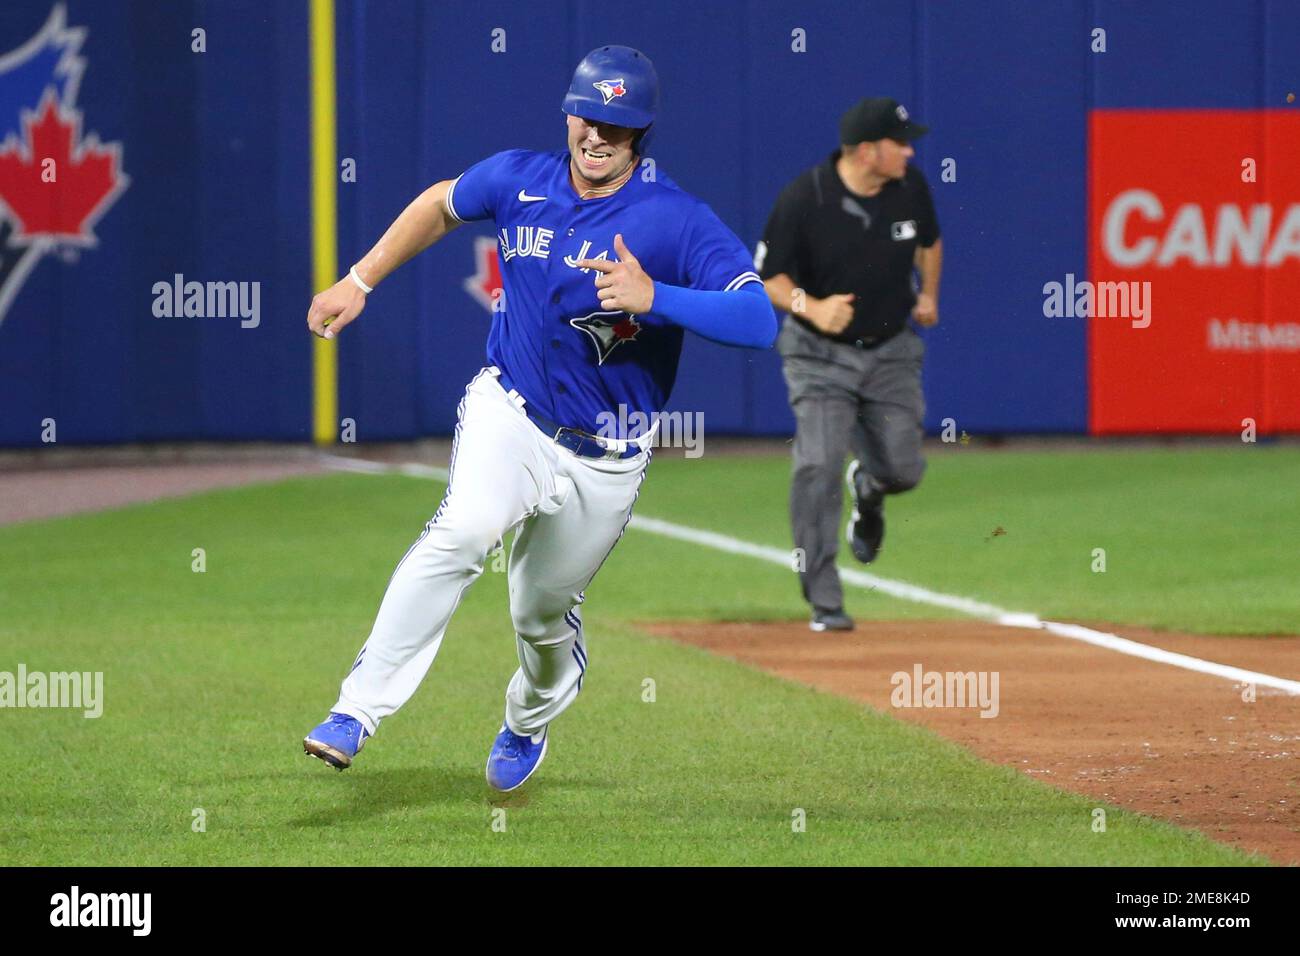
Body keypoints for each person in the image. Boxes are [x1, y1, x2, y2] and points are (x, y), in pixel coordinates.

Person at [301, 46, 776, 791]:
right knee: (463, 529)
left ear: (640, 134)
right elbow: (439, 202)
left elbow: (757, 320)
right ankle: (355, 711)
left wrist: (659, 299)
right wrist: (359, 279)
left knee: (540, 615)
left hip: (607, 456)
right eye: (587, 117)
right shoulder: (519, 178)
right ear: (568, 112)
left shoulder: (673, 217)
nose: (596, 137)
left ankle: (527, 720)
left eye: (615, 127)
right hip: (511, 411)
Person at [757, 97, 942, 632]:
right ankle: (824, 598)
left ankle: (870, 485)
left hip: (890, 352)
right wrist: (812, 307)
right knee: (816, 464)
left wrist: (928, 293)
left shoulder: (910, 187)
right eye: (899, 142)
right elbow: (769, 278)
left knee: (904, 470)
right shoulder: (805, 197)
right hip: (818, 357)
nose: (909, 151)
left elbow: (930, 240)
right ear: (866, 151)